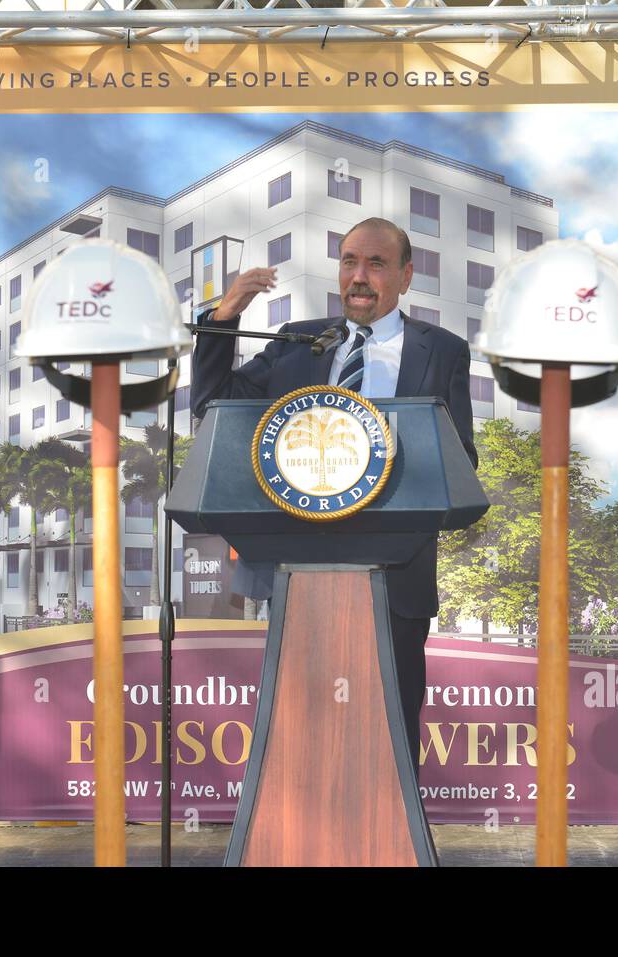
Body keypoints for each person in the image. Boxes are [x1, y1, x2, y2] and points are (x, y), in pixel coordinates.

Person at [191, 217, 477, 770]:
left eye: (375, 264)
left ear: (406, 275)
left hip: (394, 576)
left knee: (388, 740)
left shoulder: (441, 351)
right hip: (297, 569)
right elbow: (214, 402)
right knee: (301, 739)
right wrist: (224, 318)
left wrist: (399, 456)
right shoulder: (300, 342)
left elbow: (460, 457)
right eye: (349, 262)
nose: (359, 277)